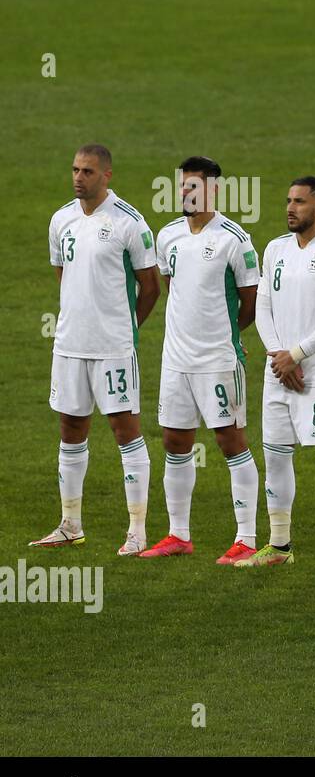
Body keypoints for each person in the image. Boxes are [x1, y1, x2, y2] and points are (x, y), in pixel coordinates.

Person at [34, 144, 160, 554]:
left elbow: (151, 285)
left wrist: (125, 326)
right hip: (70, 344)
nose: (77, 178)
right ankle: (70, 523)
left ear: (107, 175)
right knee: (71, 429)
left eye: (87, 171)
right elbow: (64, 274)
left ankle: (137, 530)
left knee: (125, 431)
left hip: (113, 348)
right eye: (74, 169)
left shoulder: (130, 223)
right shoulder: (61, 220)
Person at [144, 156, 260, 563]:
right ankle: (178, 534)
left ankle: (246, 538)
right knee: (175, 442)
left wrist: (227, 335)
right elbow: (174, 286)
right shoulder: (169, 235)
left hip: (217, 359)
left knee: (230, 441)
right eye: (182, 186)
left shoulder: (234, 239)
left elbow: (250, 303)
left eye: (193, 187)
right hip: (176, 360)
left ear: (213, 190)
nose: (184, 194)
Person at [239, 177, 315, 573]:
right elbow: (262, 306)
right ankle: (279, 543)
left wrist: (297, 355)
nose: (291, 208)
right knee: (275, 456)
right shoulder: (275, 248)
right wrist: (279, 356)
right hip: (279, 372)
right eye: (288, 200)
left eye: (300, 202)